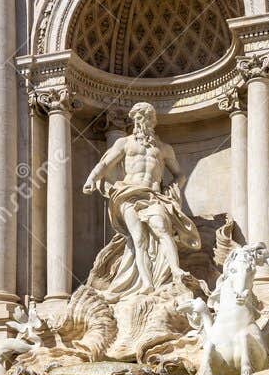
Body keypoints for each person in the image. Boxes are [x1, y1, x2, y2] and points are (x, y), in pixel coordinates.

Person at [81, 102, 201, 295]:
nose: (139, 121)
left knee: (163, 230)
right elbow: (105, 163)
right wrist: (91, 179)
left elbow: (180, 175)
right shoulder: (125, 143)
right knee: (139, 239)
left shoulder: (163, 149)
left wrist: (173, 188)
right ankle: (147, 283)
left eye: (143, 117)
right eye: (136, 117)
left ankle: (176, 270)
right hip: (128, 194)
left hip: (154, 196)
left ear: (152, 120)